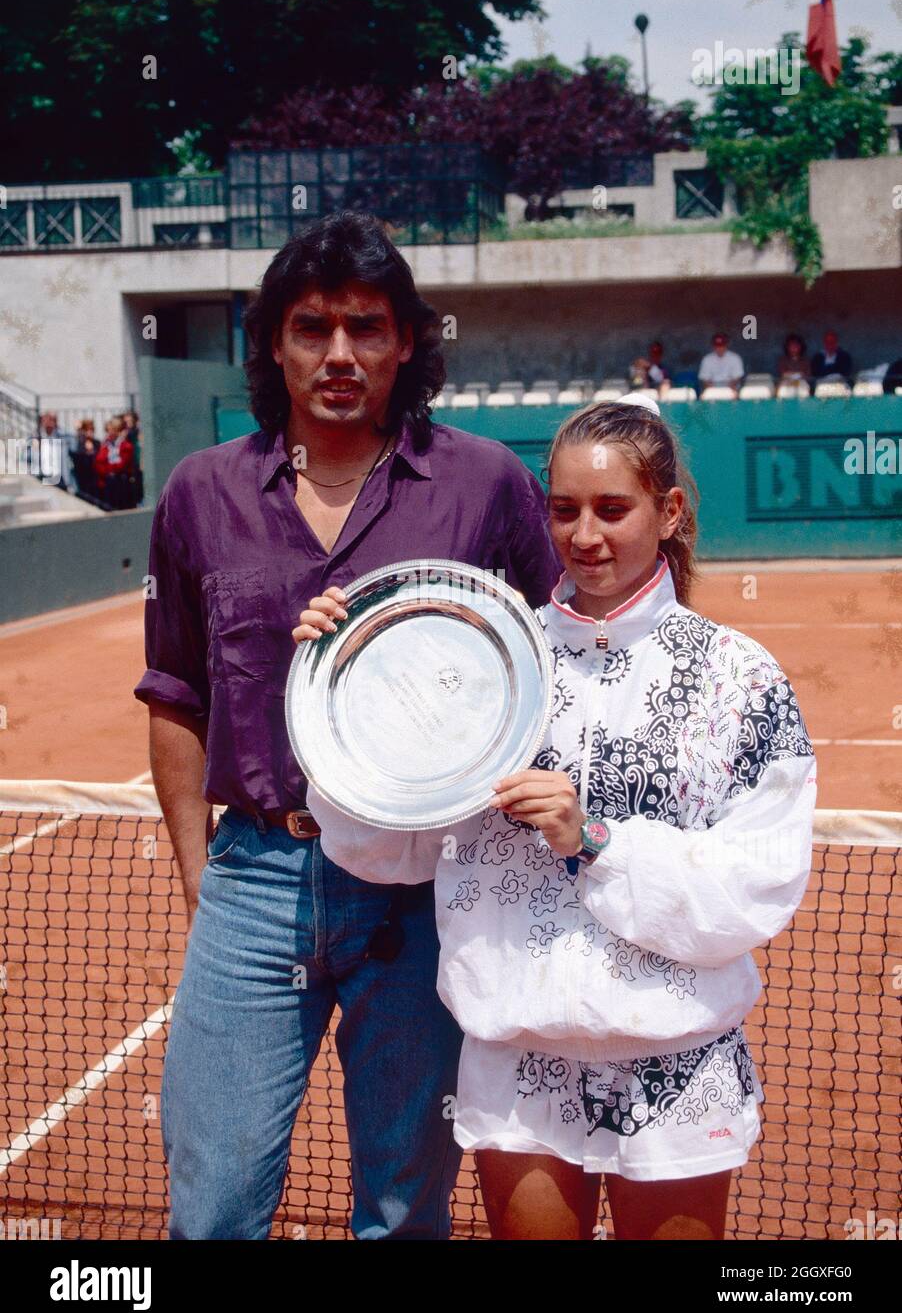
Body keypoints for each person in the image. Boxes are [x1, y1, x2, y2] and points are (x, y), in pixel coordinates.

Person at [133, 210, 561, 1241]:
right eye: (311, 328)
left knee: (404, 1206)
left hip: (420, 889)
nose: (338, 354)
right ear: (272, 343)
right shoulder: (200, 493)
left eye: (366, 327)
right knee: (216, 1203)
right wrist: (206, 877)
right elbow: (173, 694)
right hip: (255, 880)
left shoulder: (485, 482)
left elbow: (558, 660)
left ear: (406, 341)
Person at [303, 396, 817, 1241]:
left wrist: (597, 843)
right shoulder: (483, 661)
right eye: (565, 509)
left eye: (613, 509)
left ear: (669, 511)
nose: (585, 535)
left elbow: (756, 889)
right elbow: (385, 848)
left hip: (679, 1069)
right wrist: (345, 683)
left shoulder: (741, 678)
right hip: (517, 1065)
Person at [95, 414, 136, 510]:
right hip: (108, 483)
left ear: (117, 431)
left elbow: (122, 466)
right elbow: (98, 463)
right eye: (108, 430)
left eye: (111, 430)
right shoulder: (105, 445)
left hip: (122, 483)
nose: (109, 433)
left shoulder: (126, 446)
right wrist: (109, 469)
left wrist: (108, 467)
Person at [70, 418, 102, 501]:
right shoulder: (79, 443)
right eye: (88, 430)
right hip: (82, 478)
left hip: (94, 478)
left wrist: (92, 451)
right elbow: (76, 459)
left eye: (92, 430)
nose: (90, 432)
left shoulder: (97, 443)